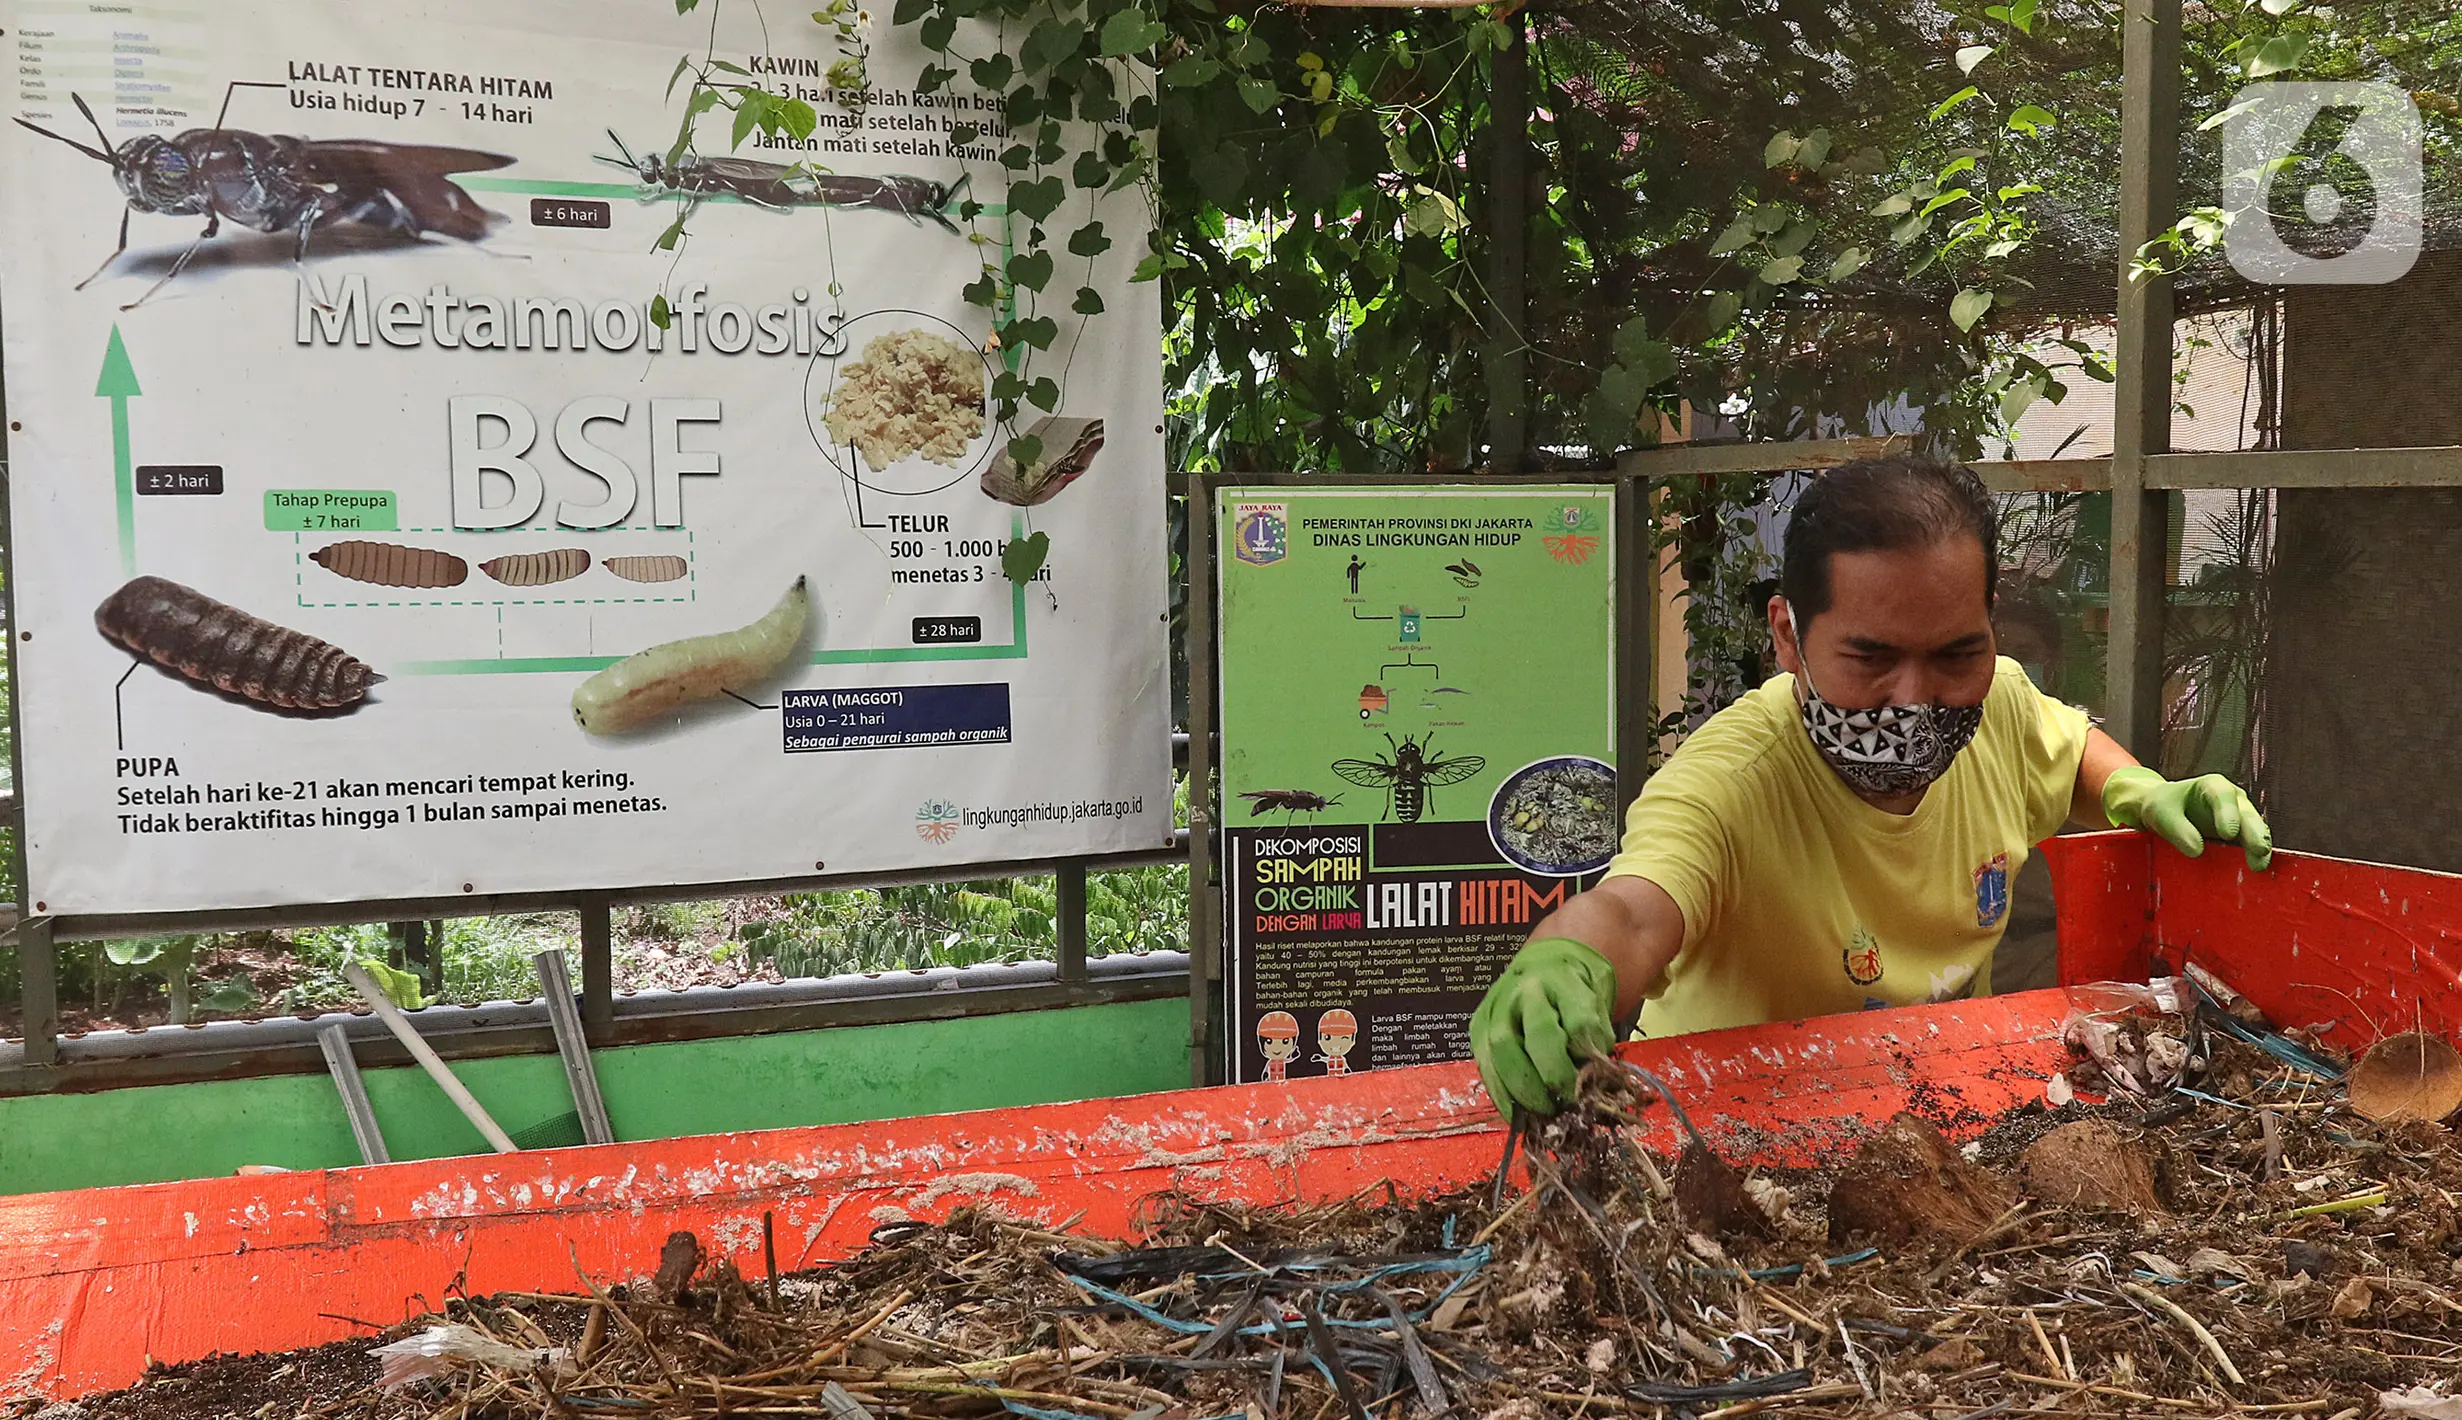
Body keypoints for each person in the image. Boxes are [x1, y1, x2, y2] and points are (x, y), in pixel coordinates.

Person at [1468, 455, 2272, 1119]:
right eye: (1871, 659)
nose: (1915, 697)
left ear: (1989, 621)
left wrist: (2143, 790)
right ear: (1788, 636)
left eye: (1956, 655)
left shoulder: (2001, 702)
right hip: (1750, 1132)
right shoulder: (1731, 783)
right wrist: (1567, 961)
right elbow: (1634, 911)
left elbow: (2067, 748)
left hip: (1959, 1106)